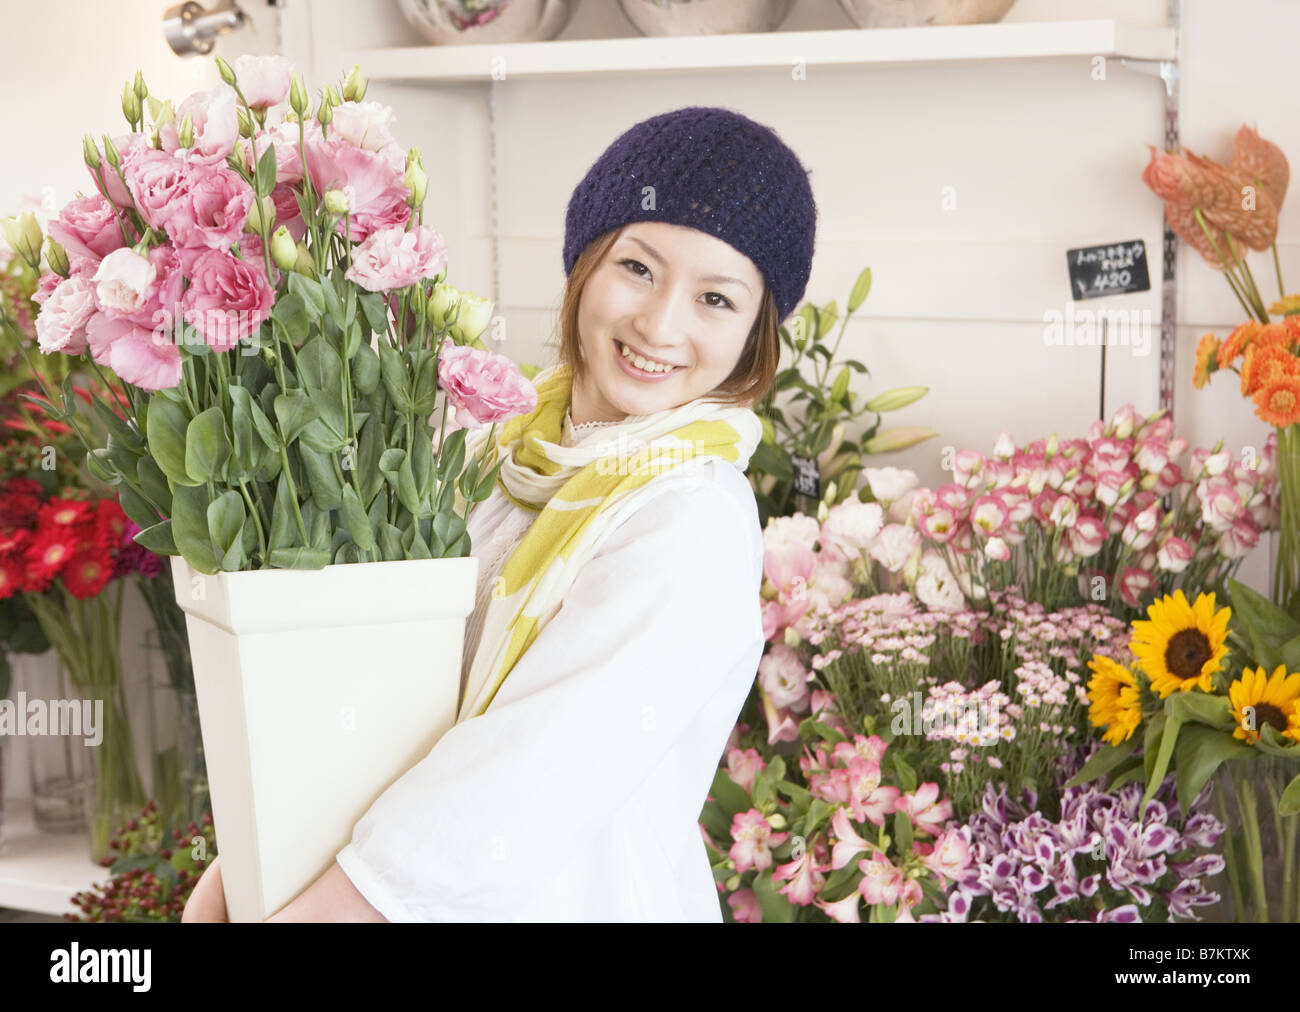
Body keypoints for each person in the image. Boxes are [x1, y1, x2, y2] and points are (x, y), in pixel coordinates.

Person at [182, 104, 817, 923]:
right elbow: (363, 679)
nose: (660, 325)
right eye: (639, 268)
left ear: (754, 337)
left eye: (717, 300)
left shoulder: (691, 514)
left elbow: (538, 770)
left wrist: (314, 914)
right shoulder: (479, 445)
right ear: (584, 261)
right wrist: (247, 860)